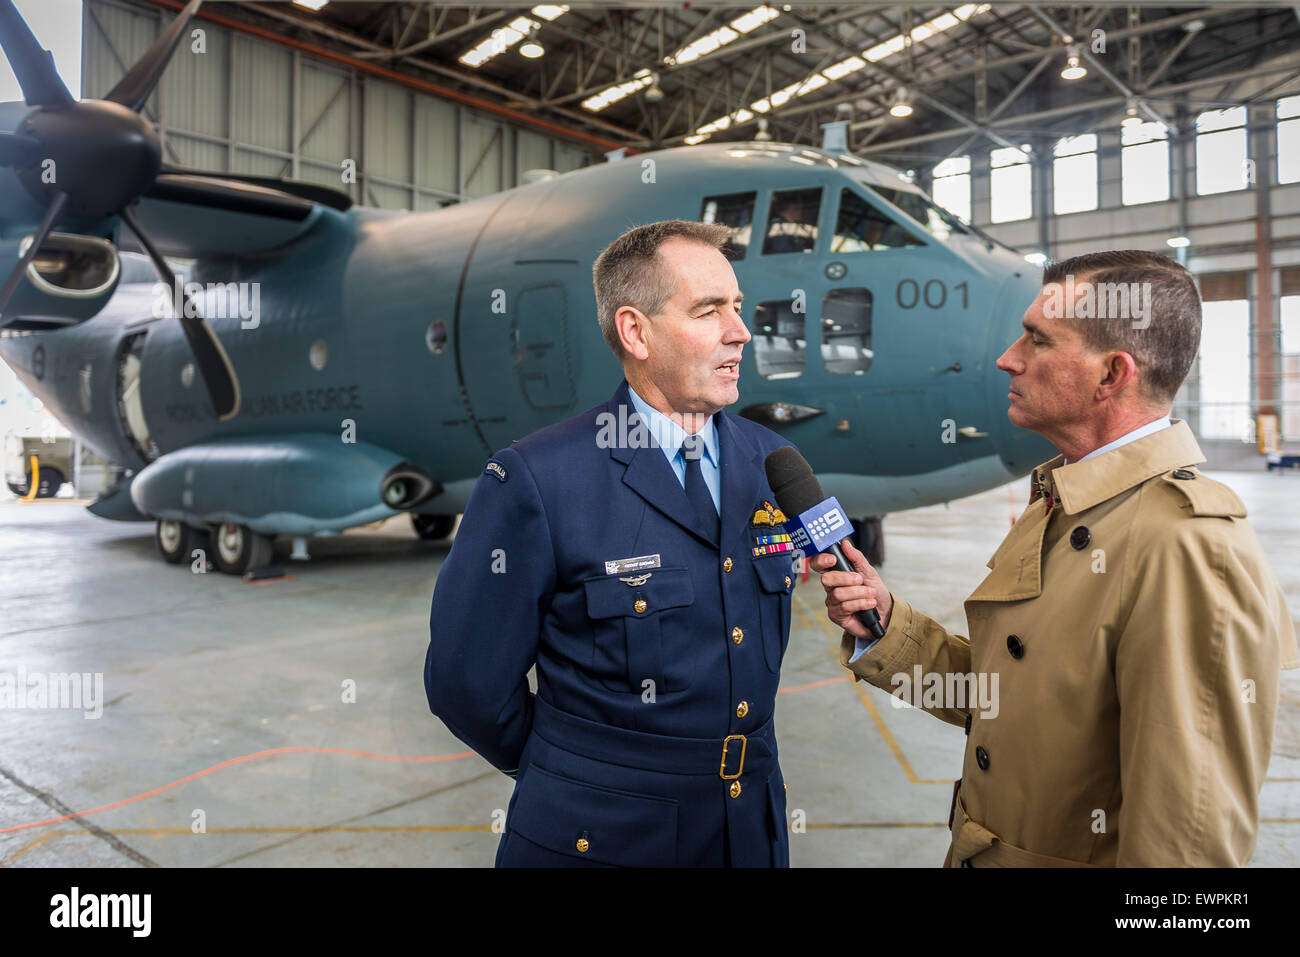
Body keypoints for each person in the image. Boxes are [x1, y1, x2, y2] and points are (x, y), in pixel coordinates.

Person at [815, 249, 1298, 867]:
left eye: (1038, 340)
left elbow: (1185, 849)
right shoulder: (1069, 499)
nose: (1007, 358)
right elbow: (1010, 696)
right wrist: (888, 626)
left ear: (1111, 374)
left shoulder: (1189, 548)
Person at [425, 220, 801, 867]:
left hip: (748, 829)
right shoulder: (540, 479)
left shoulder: (769, 462)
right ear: (635, 331)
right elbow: (467, 685)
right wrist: (581, 768)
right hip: (601, 835)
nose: (741, 331)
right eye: (709, 311)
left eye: (737, 309)